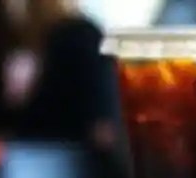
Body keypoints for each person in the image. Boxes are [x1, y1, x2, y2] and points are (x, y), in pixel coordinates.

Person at [7, 0, 116, 146]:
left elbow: (98, 123)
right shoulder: (27, 48)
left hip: (66, 151)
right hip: (48, 149)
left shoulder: (77, 35)